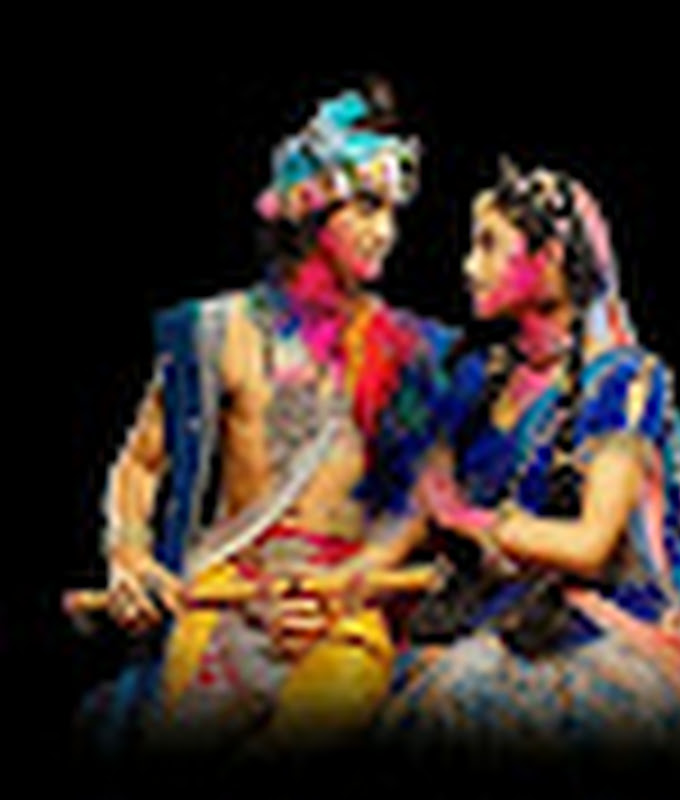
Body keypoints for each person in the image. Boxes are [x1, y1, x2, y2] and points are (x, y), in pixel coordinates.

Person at [72, 80, 454, 767]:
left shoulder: (407, 350)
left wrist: (350, 583)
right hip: (224, 596)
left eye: (394, 213)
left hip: (342, 611)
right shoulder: (219, 332)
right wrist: (128, 556)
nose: (386, 233)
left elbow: (422, 503)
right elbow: (140, 462)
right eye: (367, 208)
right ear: (309, 206)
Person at [374, 158, 680, 765]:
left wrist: (476, 522)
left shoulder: (621, 381)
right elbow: (450, 548)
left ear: (547, 260)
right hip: (501, 616)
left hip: (598, 636)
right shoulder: (485, 380)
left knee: (458, 693)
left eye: (488, 245)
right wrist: (355, 581)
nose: (468, 266)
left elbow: (591, 546)